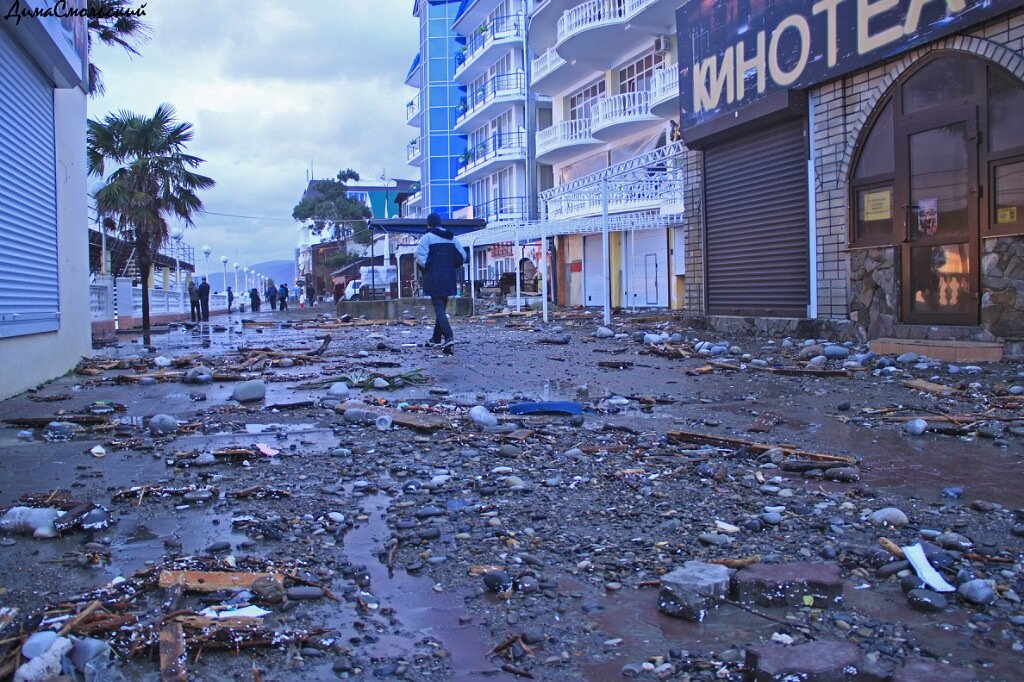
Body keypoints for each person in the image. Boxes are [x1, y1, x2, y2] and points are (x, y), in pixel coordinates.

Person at [416, 212, 467, 354]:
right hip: (449, 277)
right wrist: (452, 266)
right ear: (440, 224)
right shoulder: (452, 238)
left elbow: (420, 258)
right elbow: (462, 256)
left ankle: (449, 336)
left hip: (433, 278)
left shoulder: (426, 238)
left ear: (428, 224)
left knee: (438, 307)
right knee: (442, 307)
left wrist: (427, 268)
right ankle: (435, 338)